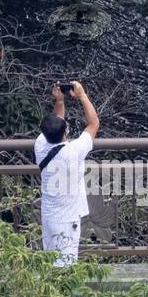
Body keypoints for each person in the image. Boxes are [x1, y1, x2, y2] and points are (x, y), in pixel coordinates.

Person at [34, 81, 100, 266]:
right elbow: (94, 123)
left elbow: (57, 122)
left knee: (50, 260)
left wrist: (60, 101)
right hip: (67, 221)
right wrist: (82, 96)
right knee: (65, 266)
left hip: (48, 216)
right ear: (66, 133)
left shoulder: (40, 146)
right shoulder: (74, 152)